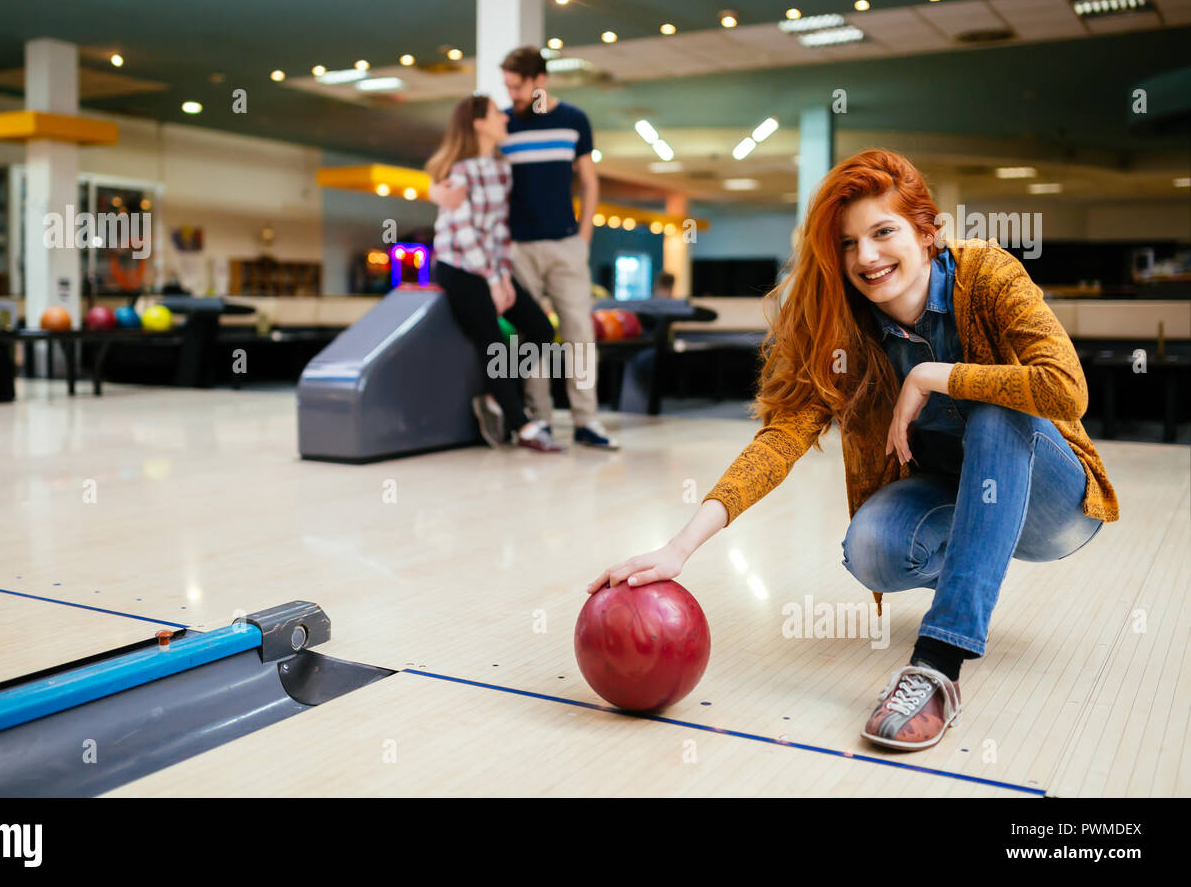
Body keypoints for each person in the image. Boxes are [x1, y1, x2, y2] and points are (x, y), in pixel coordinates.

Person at [589, 148, 1119, 751]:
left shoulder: (988, 275)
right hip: (961, 495)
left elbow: (1065, 388)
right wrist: (680, 545)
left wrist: (933, 375)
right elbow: (782, 438)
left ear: (926, 231)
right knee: (871, 547)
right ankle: (975, 570)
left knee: (998, 406)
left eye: (883, 232)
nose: (866, 256)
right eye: (847, 243)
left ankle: (937, 665)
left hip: (1056, 507)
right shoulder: (842, 329)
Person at [430, 46, 617, 450]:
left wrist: (583, 238)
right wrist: (436, 189)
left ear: (539, 82)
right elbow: (460, 162)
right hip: (516, 249)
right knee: (533, 334)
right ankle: (539, 418)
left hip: (566, 244)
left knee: (579, 334)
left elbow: (589, 181)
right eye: (507, 86)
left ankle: (587, 420)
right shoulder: (505, 124)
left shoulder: (574, 120)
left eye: (517, 86)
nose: (510, 95)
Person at [425, 93, 562, 453]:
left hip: (490, 265)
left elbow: (500, 229)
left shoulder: (501, 168)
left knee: (540, 328)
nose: (504, 119)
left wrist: (503, 277)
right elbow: (464, 230)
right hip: (459, 266)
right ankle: (523, 425)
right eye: (495, 115)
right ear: (478, 123)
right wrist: (490, 281)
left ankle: (497, 396)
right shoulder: (457, 171)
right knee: (492, 341)